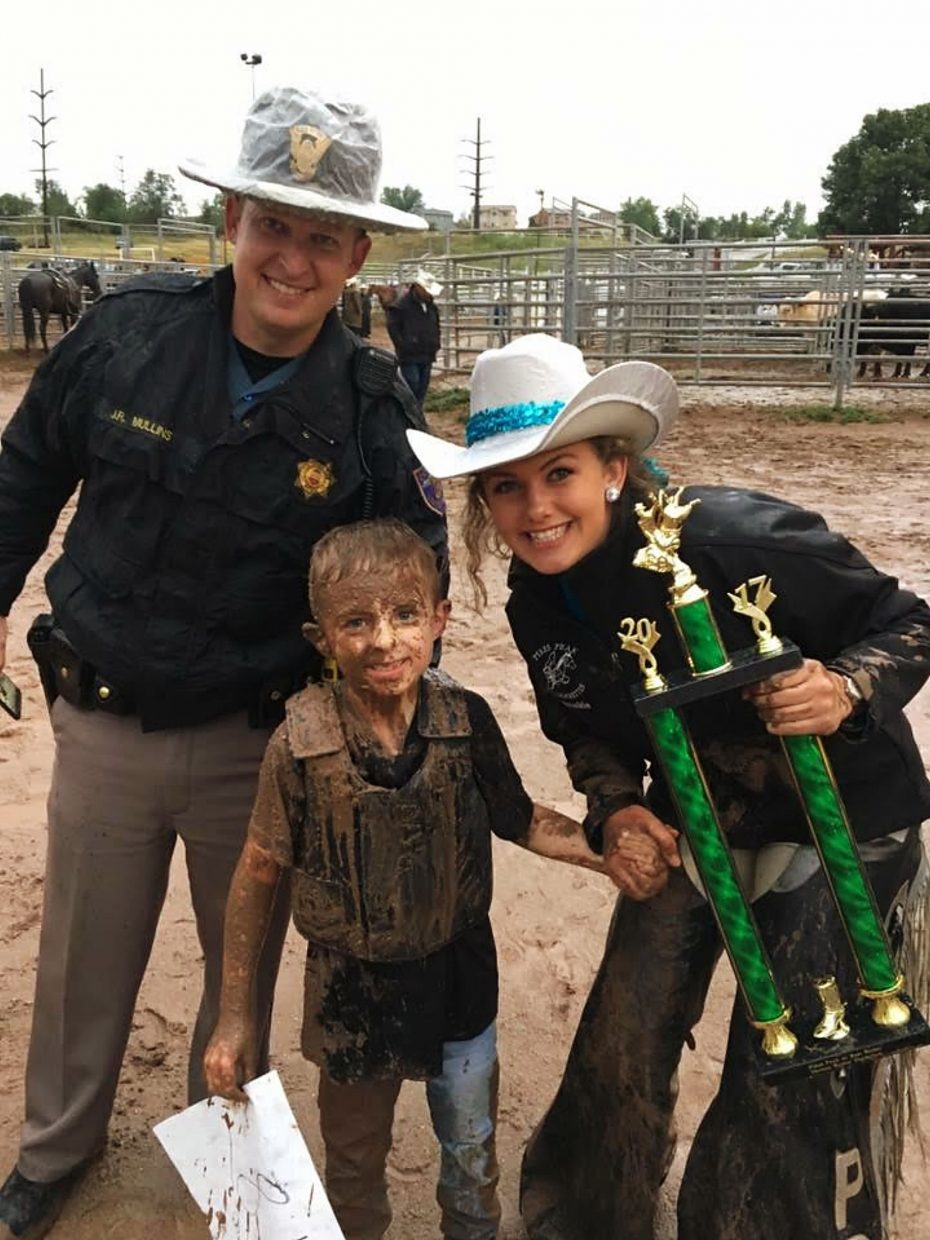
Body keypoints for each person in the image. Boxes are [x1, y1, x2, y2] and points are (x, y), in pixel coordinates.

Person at [0, 85, 443, 1240]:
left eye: (322, 236)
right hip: (103, 714)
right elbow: (24, 473)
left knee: (239, 974)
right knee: (83, 955)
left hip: (264, 743)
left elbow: (418, 568)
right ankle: (56, 1148)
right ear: (233, 222)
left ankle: (237, 1182)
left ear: (356, 254)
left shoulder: (368, 407)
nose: (292, 258)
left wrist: (383, 715)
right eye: (274, 225)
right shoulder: (125, 336)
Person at [406, 333, 930, 1240]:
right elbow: (583, 728)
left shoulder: (734, 539)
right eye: (506, 485)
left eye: (556, 473)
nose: (535, 508)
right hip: (702, 816)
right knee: (626, 1024)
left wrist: (843, 687)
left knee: (790, 1064)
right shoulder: (539, 603)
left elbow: (907, 621)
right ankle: (584, 1217)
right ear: (483, 501)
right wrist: (617, 811)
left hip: (843, 815)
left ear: (612, 467)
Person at [202, 518, 658, 1240]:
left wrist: (607, 851)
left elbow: (521, 818)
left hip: (460, 977)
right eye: (356, 621)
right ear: (321, 638)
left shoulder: (464, 719)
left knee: (471, 1149)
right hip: (350, 991)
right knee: (353, 1161)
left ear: (439, 619)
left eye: (406, 614)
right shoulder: (300, 743)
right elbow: (259, 870)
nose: (384, 641)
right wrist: (233, 1014)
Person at [385, 267, 442, 409]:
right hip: (409, 353)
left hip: (427, 352)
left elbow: (435, 325)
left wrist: (435, 343)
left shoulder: (431, 307)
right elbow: (393, 327)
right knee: (412, 383)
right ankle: (409, 412)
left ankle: (417, 413)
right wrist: (403, 345)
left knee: (422, 386)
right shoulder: (401, 306)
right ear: (418, 287)